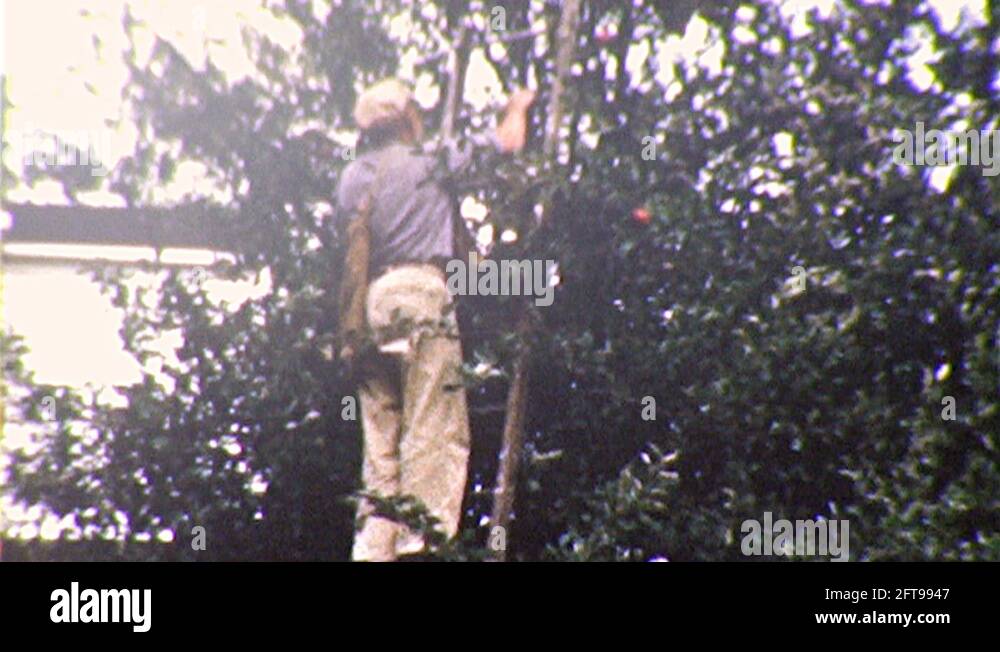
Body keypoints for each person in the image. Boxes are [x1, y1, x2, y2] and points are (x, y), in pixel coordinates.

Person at [335, 78, 535, 561]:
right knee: (433, 424)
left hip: (372, 308)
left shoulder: (350, 179)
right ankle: (419, 544)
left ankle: (375, 547)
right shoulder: (430, 163)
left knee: (382, 438)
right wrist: (518, 105)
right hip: (422, 294)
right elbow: (508, 143)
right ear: (407, 119)